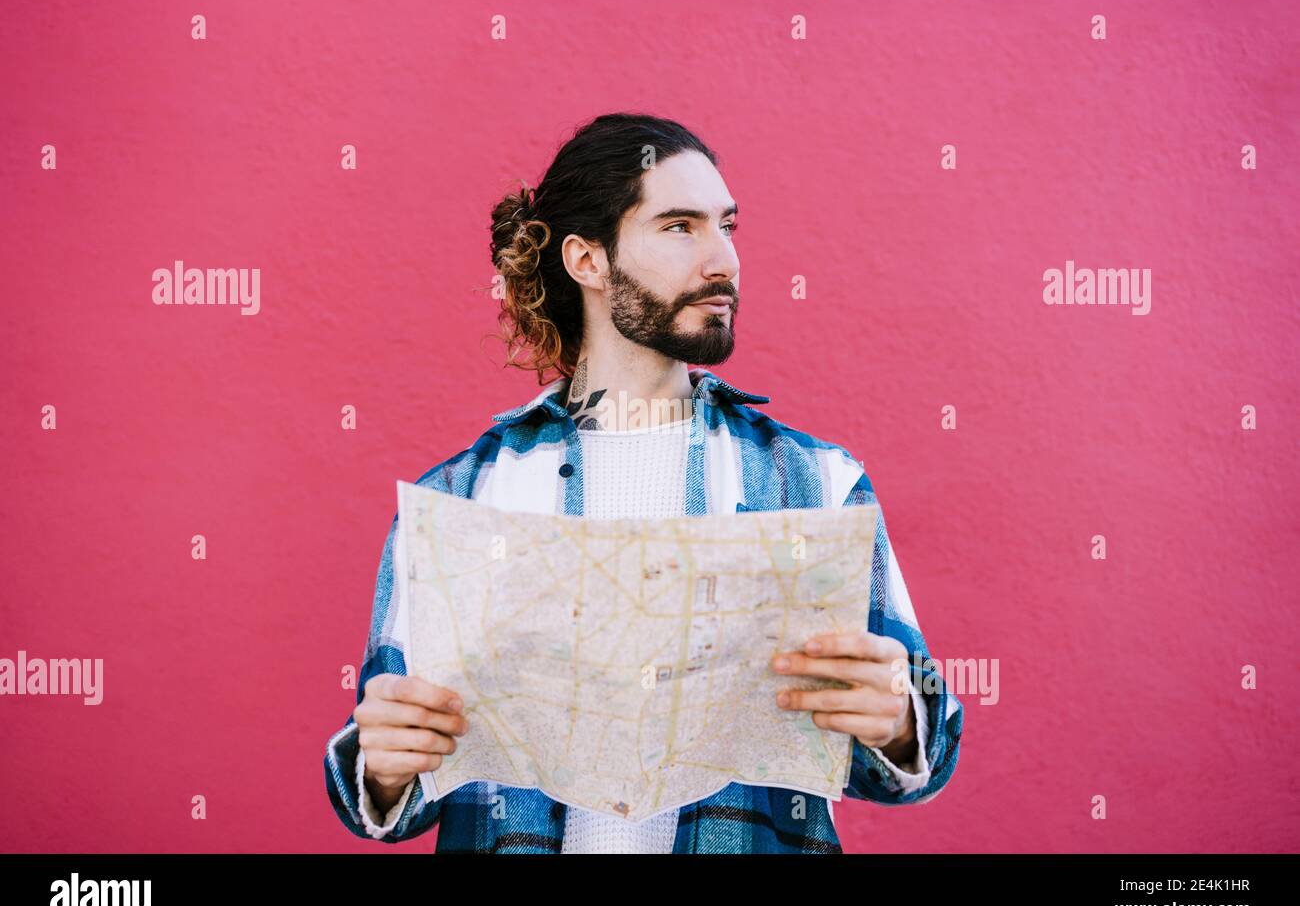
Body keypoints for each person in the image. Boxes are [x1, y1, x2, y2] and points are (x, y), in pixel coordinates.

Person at [324, 112, 962, 853]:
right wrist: (385, 768)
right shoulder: (463, 500)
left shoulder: (816, 483)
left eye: (727, 225)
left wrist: (900, 719)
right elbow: (384, 777)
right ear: (587, 260)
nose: (722, 259)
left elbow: (922, 746)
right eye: (680, 227)